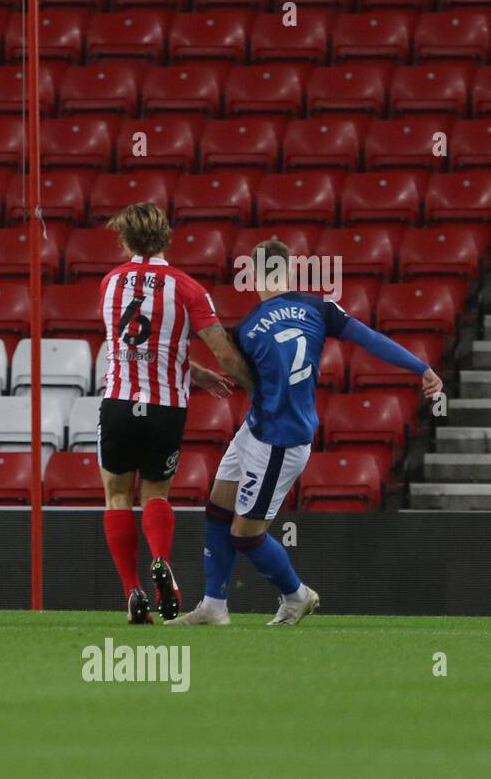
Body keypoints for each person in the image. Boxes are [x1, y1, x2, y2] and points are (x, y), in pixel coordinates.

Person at [168, 239, 443, 626]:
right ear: (291, 273)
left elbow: (243, 373)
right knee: (218, 508)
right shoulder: (319, 307)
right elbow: (370, 339)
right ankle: (214, 606)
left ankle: (297, 594)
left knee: (245, 533)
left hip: (278, 440)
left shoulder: (247, 327)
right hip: (261, 428)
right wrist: (421, 368)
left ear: (253, 276)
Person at [97, 202, 255, 624]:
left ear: (125, 238)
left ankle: (132, 591)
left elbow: (135, 347)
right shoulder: (186, 288)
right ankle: (162, 562)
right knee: (155, 495)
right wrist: (255, 387)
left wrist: (196, 373)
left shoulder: (110, 284)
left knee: (116, 496)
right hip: (165, 408)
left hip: (117, 403)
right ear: (166, 237)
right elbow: (222, 350)